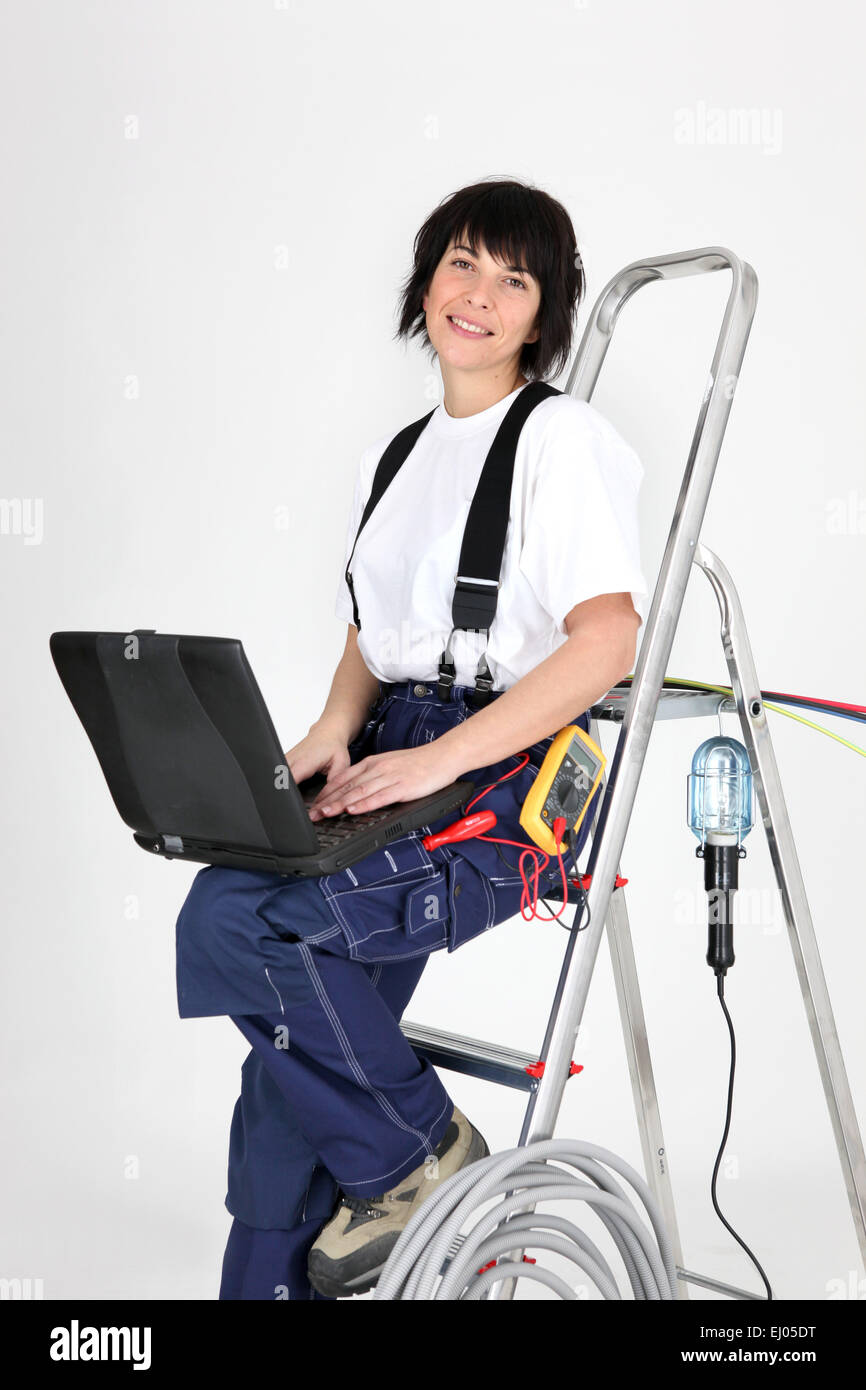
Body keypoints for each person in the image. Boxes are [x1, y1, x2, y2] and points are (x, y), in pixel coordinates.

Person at [174, 177, 649, 1301]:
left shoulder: (561, 440)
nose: (477, 294)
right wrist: (328, 732)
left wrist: (441, 758)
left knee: (264, 931)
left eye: (513, 277)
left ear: (543, 316)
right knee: (268, 1033)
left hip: (494, 782)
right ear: (425, 277)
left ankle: (417, 1156)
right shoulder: (395, 456)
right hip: (393, 750)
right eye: (461, 263)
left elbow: (607, 642)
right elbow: (371, 632)